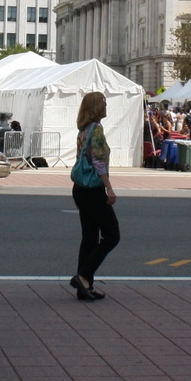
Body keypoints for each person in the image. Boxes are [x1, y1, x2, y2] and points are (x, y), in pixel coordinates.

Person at [69, 91, 119, 302]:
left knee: (89, 237)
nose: (106, 107)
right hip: (92, 189)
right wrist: (109, 187)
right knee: (111, 236)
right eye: (104, 103)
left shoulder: (84, 129)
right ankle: (82, 276)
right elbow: (98, 162)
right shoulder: (96, 130)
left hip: (80, 188)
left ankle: (85, 285)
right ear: (97, 107)